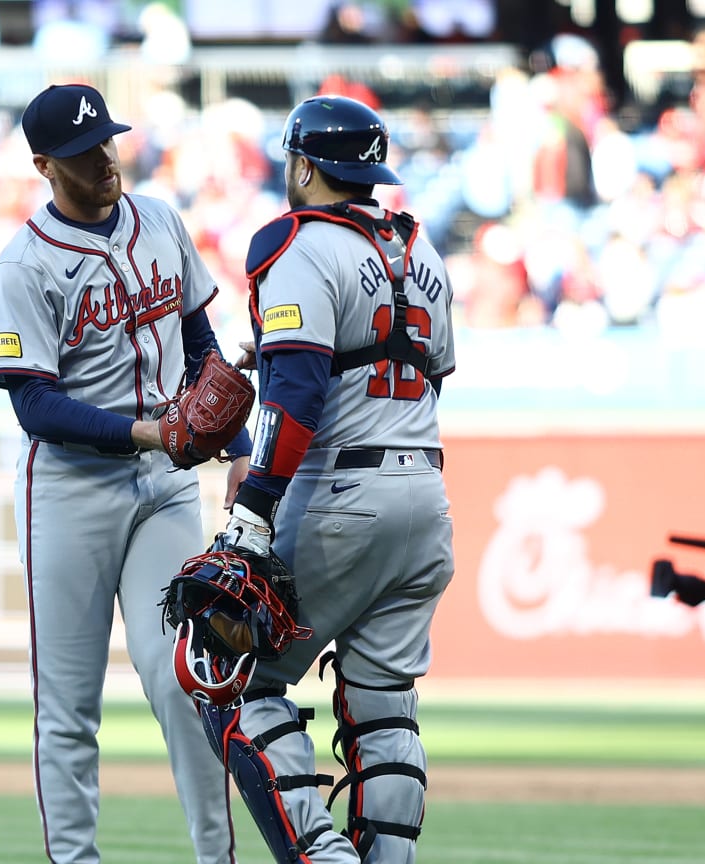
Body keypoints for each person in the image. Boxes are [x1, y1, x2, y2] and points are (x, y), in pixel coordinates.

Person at [0, 83, 251, 864]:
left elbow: (200, 341)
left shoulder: (161, 221)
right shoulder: (23, 264)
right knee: (68, 707)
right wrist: (146, 431)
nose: (103, 158)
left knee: (185, 678)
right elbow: (33, 403)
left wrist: (236, 449)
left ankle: (219, 857)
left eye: (106, 139)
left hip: (164, 484)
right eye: (81, 151)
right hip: (69, 494)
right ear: (44, 165)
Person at [187, 95, 457, 863]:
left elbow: (298, 394)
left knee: (226, 670)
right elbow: (424, 374)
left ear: (305, 164)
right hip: (424, 494)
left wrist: (255, 510)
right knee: (386, 712)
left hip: (339, 494)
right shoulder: (422, 250)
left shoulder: (296, 244)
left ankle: (324, 859)